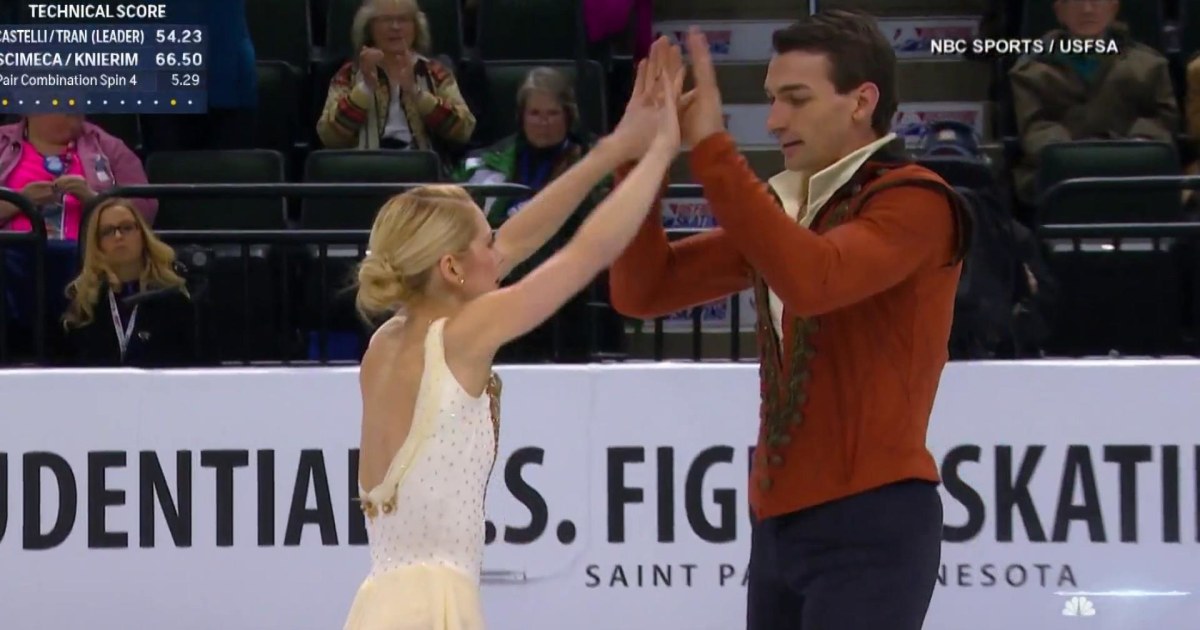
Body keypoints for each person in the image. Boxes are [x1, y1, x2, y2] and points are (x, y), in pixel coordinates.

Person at [609, 14, 971, 630]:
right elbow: (645, 289)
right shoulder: (795, 213)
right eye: (773, 98)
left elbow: (814, 280)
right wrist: (641, 163)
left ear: (862, 101)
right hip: (777, 526)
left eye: (796, 100)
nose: (775, 120)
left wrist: (714, 148)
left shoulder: (917, 201)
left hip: (873, 521)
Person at [342, 48, 683, 630]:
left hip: (384, 601)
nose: (498, 251)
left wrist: (613, 149)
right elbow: (587, 252)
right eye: (484, 242)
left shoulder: (392, 340)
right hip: (431, 607)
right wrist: (658, 154)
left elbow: (521, 236)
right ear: (451, 269)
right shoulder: (462, 335)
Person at [317, 0, 476, 169]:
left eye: (403, 19)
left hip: (420, 169)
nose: (395, 27)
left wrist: (417, 94)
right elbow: (329, 137)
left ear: (416, 28)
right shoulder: (349, 73)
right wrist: (365, 89)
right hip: (364, 170)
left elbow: (463, 131)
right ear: (369, 27)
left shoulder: (434, 72)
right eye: (385, 19)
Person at [61, 198, 196, 367]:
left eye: (126, 228)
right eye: (108, 231)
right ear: (97, 244)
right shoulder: (83, 302)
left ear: (143, 235)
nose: (118, 236)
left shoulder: (174, 295)